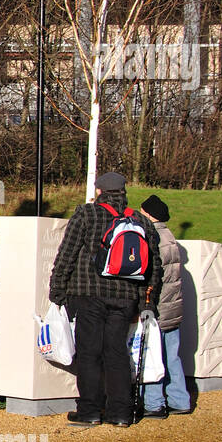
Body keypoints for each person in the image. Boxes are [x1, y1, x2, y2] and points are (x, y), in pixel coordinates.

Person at [48, 172, 163, 427]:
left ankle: (89, 410)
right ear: (124, 192)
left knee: (89, 353)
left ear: (99, 191)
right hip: (125, 297)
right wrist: (148, 301)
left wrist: (57, 288)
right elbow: (155, 266)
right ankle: (120, 413)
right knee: (117, 352)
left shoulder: (86, 214)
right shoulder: (141, 221)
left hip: (89, 293)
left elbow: (67, 253)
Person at [138, 194, 191, 416]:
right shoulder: (169, 237)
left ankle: (154, 403)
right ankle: (180, 400)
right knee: (172, 355)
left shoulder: (153, 237)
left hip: (158, 307)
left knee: (153, 356)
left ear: (149, 214)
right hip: (173, 307)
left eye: (141, 212)